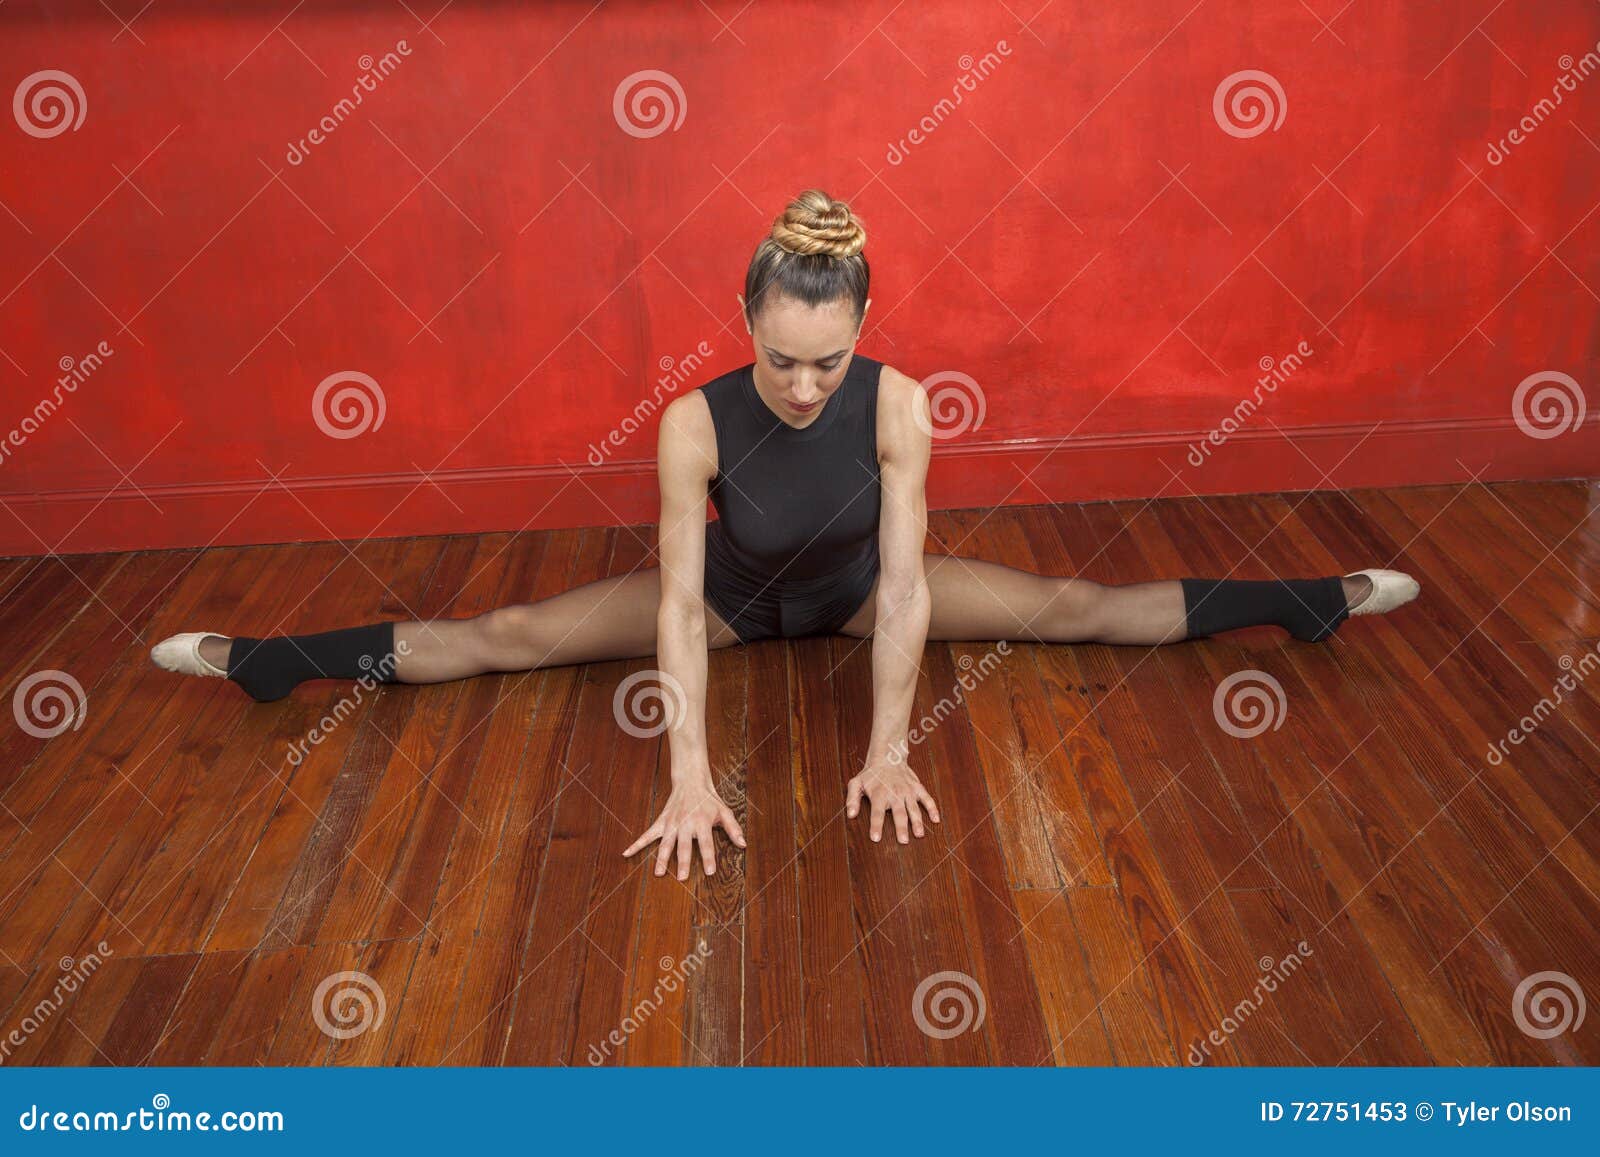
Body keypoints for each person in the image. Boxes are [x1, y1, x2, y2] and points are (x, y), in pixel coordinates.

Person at [151, 189, 1420, 881]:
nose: (806, 387)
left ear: (861, 327)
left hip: (862, 594)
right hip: (733, 601)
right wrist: (687, 772)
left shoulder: (902, 403)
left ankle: (1309, 598)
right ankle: (273, 658)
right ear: (745, 319)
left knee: (1072, 603)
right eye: (779, 359)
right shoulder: (691, 423)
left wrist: (886, 753)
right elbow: (671, 602)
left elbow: (913, 582)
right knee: (508, 633)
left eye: (830, 360)